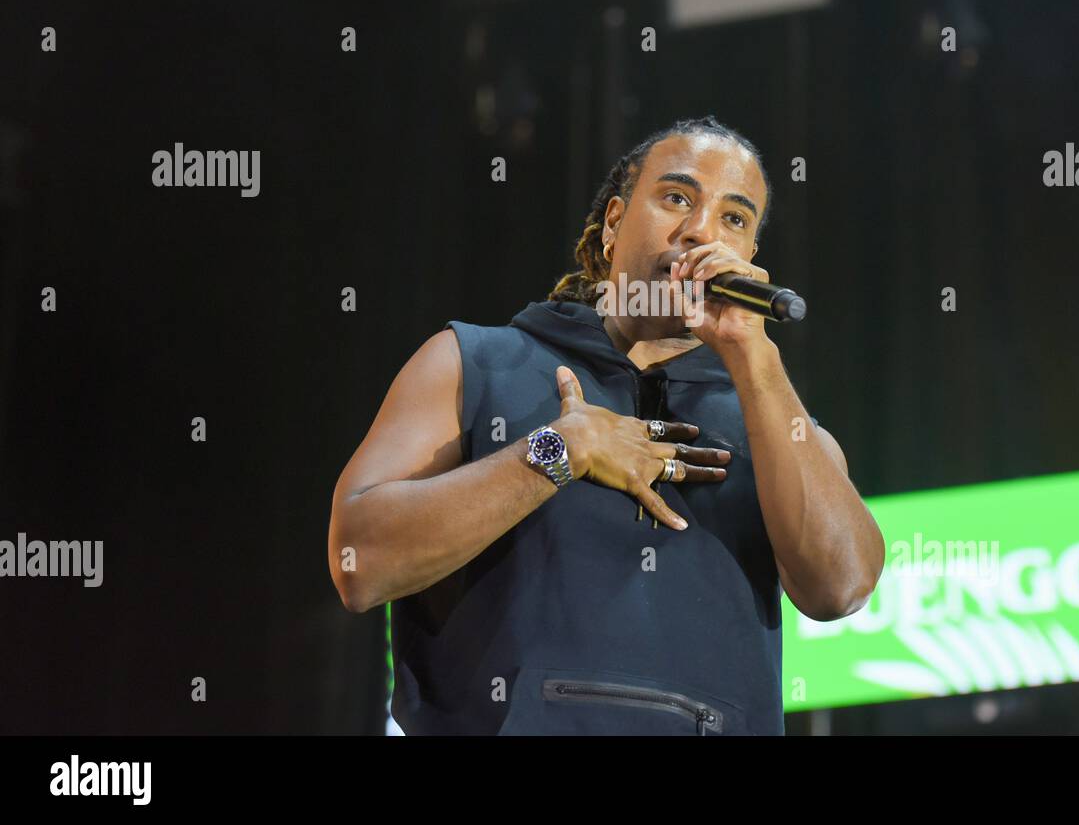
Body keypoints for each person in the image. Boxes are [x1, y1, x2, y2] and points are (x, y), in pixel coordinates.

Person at [328, 115, 884, 735]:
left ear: (749, 258)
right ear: (614, 222)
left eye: (733, 218)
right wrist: (558, 452)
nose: (701, 231)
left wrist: (755, 357)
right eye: (677, 198)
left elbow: (842, 588)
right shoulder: (474, 362)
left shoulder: (777, 422)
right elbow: (359, 564)